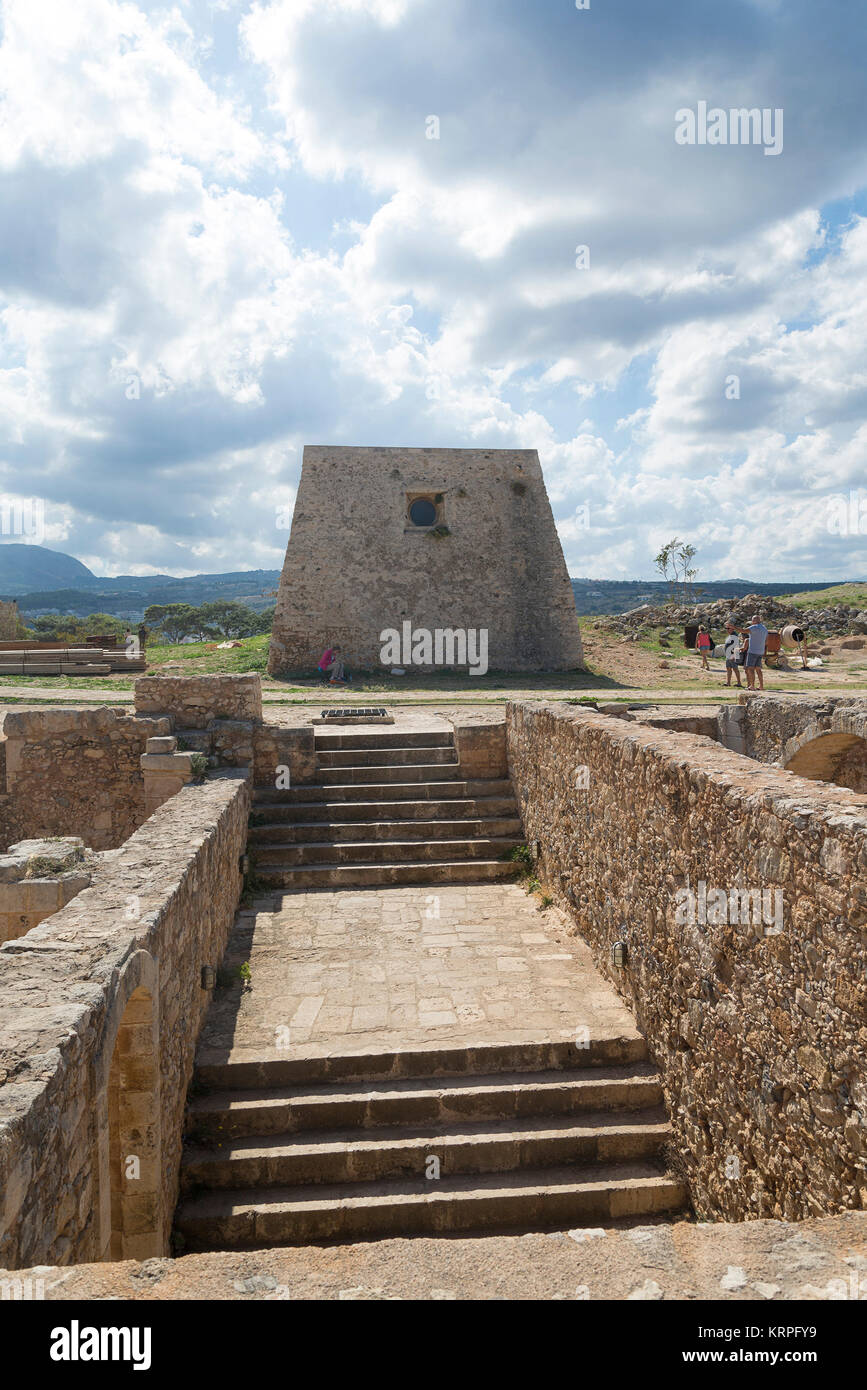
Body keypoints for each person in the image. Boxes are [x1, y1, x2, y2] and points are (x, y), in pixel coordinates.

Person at [744, 613, 768, 691]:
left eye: (752, 619)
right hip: (760, 651)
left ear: (754, 620)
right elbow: (766, 641)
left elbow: (743, 631)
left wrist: (733, 627)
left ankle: (752, 686)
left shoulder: (754, 627)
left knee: (750, 669)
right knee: (758, 669)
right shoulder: (764, 628)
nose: (752, 621)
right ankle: (761, 686)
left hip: (752, 651)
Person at [723, 622, 742, 687]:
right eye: (726, 628)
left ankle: (739, 682)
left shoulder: (734, 636)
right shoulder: (730, 636)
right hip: (728, 655)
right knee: (728, 668)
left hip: (732, 655)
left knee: (735, 669)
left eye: (728, 628)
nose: (727, 630)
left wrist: (735, 655)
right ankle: (728, 682)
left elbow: (736, 646)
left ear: (732, 629)